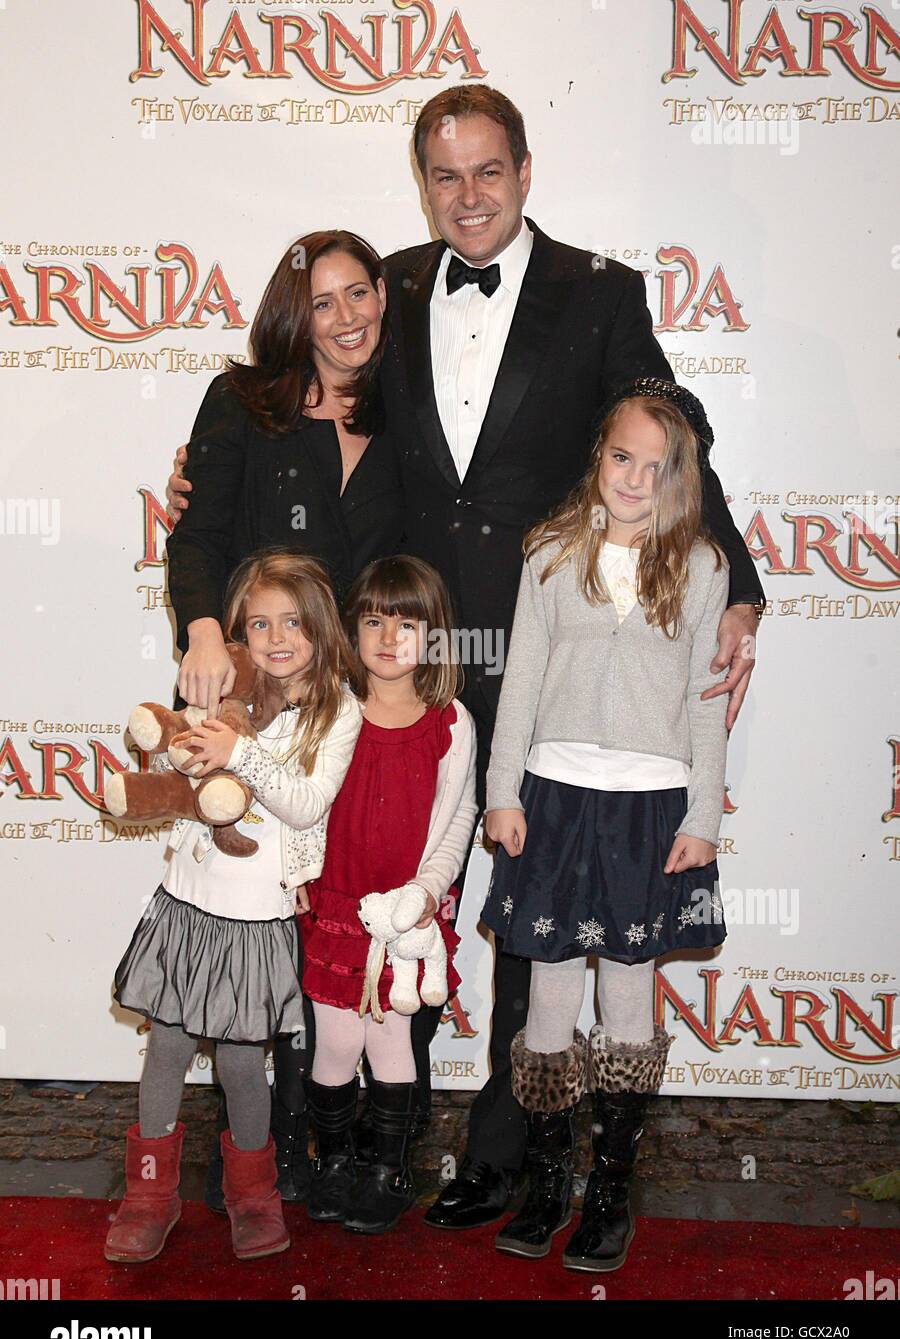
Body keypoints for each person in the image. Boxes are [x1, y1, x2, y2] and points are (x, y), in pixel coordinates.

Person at [167, 83, 765, 1229]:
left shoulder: (600, 293)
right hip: (405, 655)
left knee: (525, 903)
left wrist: (734, 586)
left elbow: (671, 424)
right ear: (422, 184)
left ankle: (501, 1153)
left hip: (545, 643)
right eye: (446, 176)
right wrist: (203, 460)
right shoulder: (385, 285)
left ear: (526, 171)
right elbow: (297, 392)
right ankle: (366, 1126)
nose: (469, 194)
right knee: (389, 883)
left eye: (489, 171)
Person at [166, 229, 403, 1207]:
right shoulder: (243, 404)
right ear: (292, 313)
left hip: (369, 715)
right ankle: (253, 1143)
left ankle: (340, 1133)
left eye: (361, 295)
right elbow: (198, 533)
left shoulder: (415, 413)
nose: (345, 318)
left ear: (385, 298)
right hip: (258, 712)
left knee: (354, 916)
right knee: (260, 918)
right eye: (324, 301)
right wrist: (203, 632)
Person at [479, 380, 730, 1270]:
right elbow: (519, 685)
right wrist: (500, 792)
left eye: (656, 468)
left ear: (679, 480)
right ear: (599, 458)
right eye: (622, 457)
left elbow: (707, 707)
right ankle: (548, 1184)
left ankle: (611, 1192)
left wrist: (703, 813)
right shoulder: (549, 552)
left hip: (650, 808)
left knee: (627, 996)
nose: (635, 479)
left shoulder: (701, 567)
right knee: (547, 993)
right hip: (551, 796)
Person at [105, 550, 362, 1262]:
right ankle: (149, 1196)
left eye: (292, 623)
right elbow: (174, 772)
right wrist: (185, 748)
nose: (277, 638)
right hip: (188, 902)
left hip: (257, 919)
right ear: (238, 633)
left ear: (319, 626)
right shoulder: (225, 689)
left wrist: (240, 754)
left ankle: (254, 1196)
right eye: (258, 623)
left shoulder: (338, 709)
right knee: (167, 1050)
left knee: (245, 1065)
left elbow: (308, 808)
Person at [298, 555, 478, 1234]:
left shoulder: (450, 721)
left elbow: (459, 814)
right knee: (336, 1043)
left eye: (406, 623)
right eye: (373, 620)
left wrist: (428, 891)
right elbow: (301, 803)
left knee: (392, 1041)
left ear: (434, 635)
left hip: (403, 916)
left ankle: (387, 1169)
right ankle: (335, 1162)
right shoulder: (329, 711)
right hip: (337, 906)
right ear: (351, 630)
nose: (387, 637)